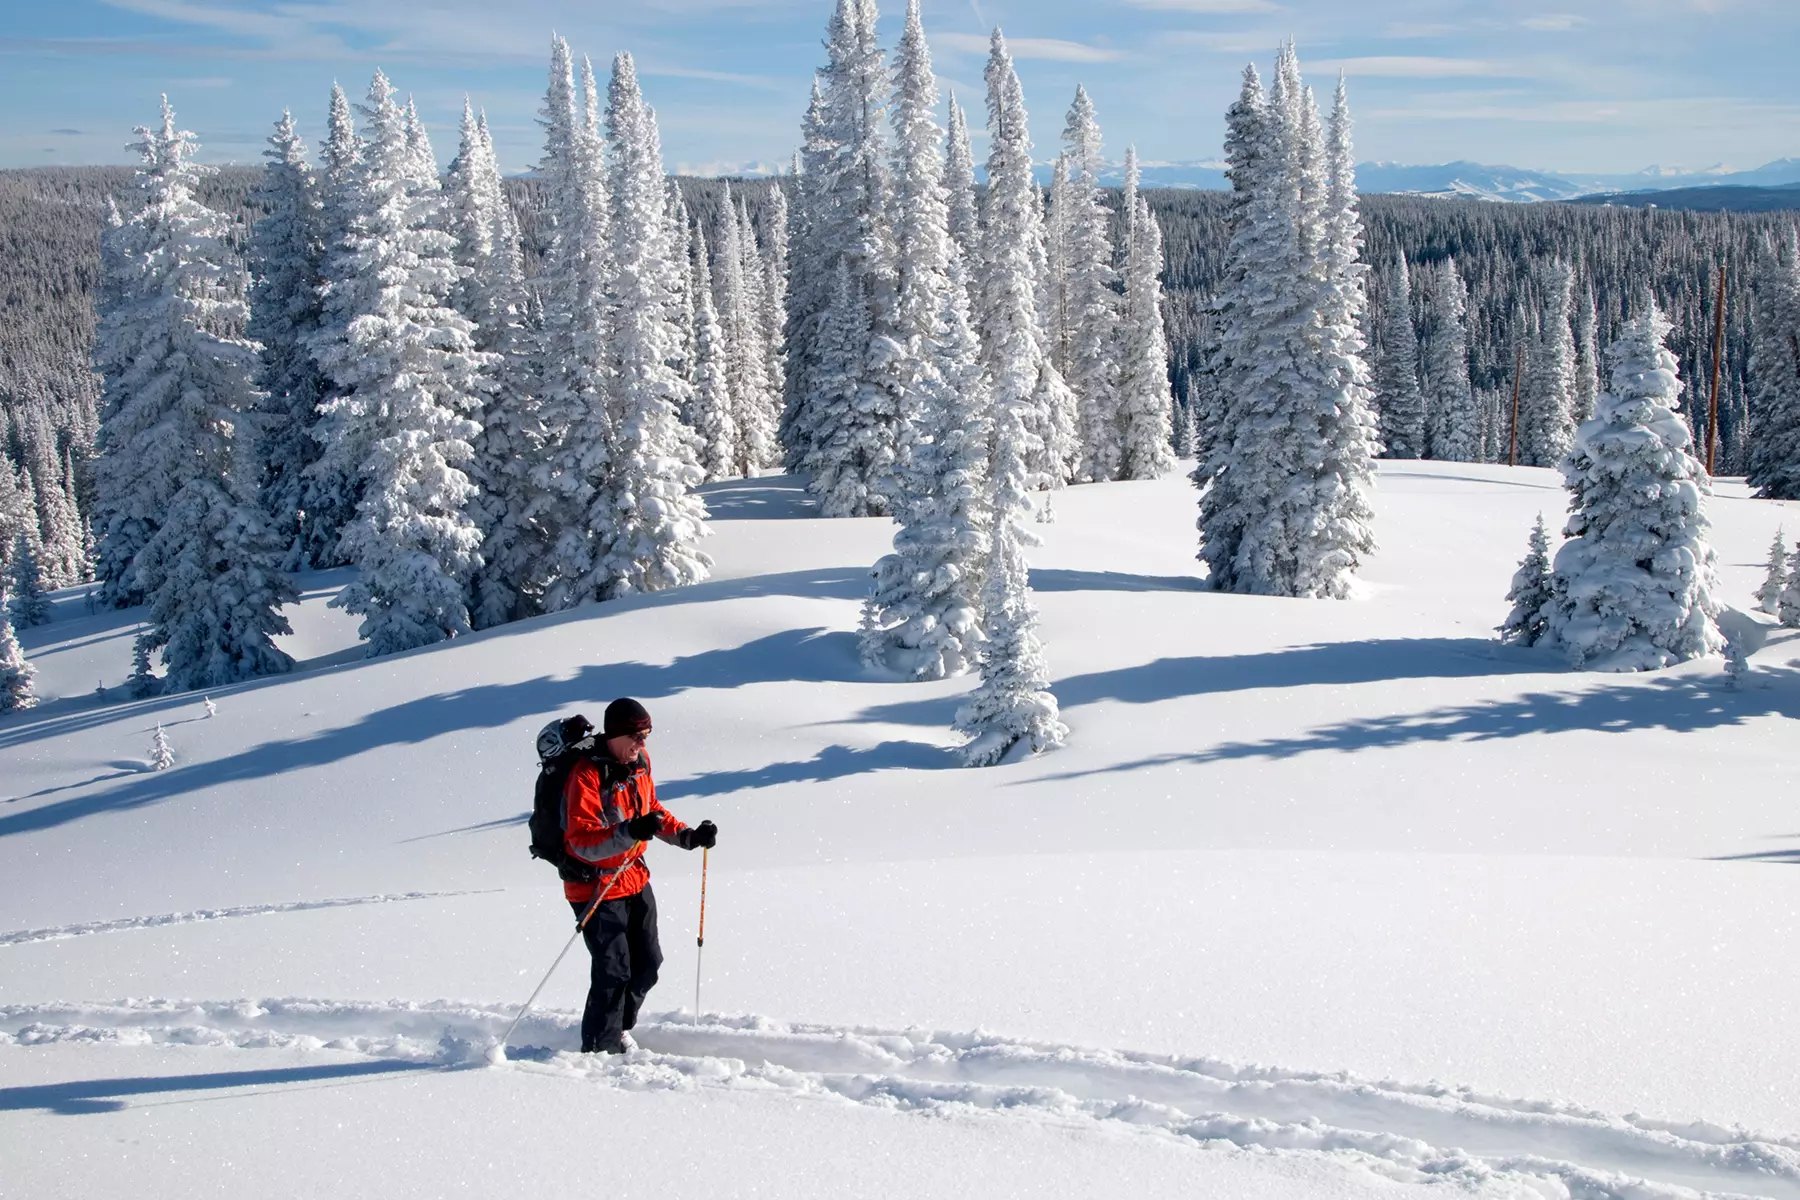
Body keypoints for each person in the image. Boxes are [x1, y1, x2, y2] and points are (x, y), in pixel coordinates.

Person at [562, 697, 716, 1054]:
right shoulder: (586, 774)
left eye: (646, 736)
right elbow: (581, 841)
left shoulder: (640, 764)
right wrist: (632, 831)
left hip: (633, 879)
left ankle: (616, 1030)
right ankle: (600, 1049)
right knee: (613, 972)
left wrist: (688, 836)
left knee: (648, 964)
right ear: (615, 734)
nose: (642, 744)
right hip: (595, 886)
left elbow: (652, 812)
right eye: (637, 736)